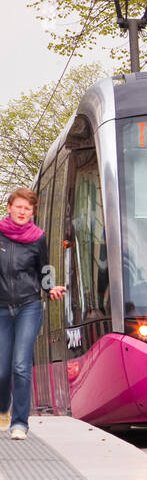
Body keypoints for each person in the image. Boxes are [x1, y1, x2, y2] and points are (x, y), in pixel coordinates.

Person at [0, 188, 66, 439]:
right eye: (18, 207)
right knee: (2, 370)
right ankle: (2, 408)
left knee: (20, 365)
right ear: (9, 207)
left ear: (32, 212)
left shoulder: (38, 238)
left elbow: (44, 268)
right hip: (1, 308)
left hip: (29, 306)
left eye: (27, 208)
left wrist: (50, 289)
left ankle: (20, 423)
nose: (22, 211)